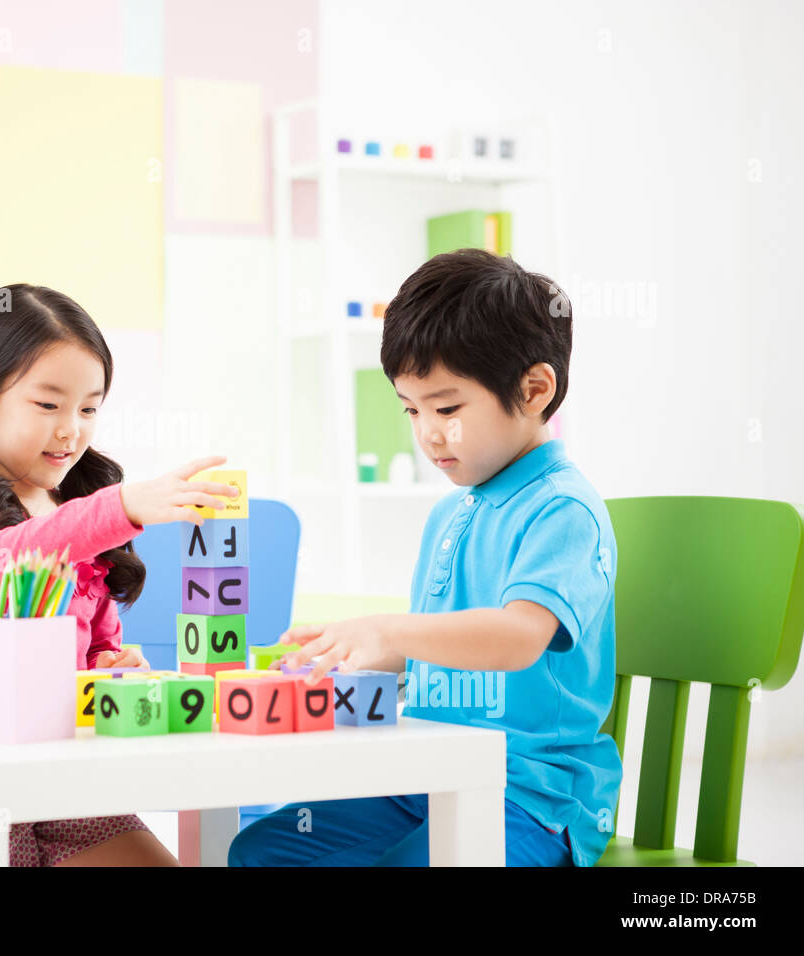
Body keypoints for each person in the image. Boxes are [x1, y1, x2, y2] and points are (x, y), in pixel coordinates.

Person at [229, 249, 622, 867]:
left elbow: (518, 638)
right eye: (411, 409)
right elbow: (428, 652)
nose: (427, 433)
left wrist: (388, 628)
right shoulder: (454, 511)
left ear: (534, 389)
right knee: (263, 850)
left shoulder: (563, 509)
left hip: (524, 798)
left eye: (447, 408)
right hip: (423, 775)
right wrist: (346, 662)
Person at [0, 282, 239, 866]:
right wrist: (121, 509)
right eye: (48, 405)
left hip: (63, 783)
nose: (72, 429)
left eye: (88, 408)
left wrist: (110, 669)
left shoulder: (78, 507)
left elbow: (93, 646)